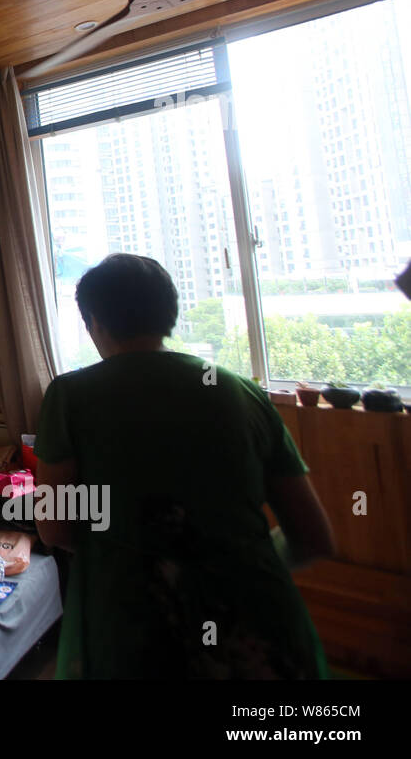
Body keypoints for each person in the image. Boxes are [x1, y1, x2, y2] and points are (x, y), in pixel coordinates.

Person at [34, 253, 334, 679]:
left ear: (94, 322)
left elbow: (54, 528)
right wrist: (233, 559)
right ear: (168, 314)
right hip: (259, 631)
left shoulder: (70, 397)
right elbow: (314, 536)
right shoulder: (242, 392)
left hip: (136, 631)